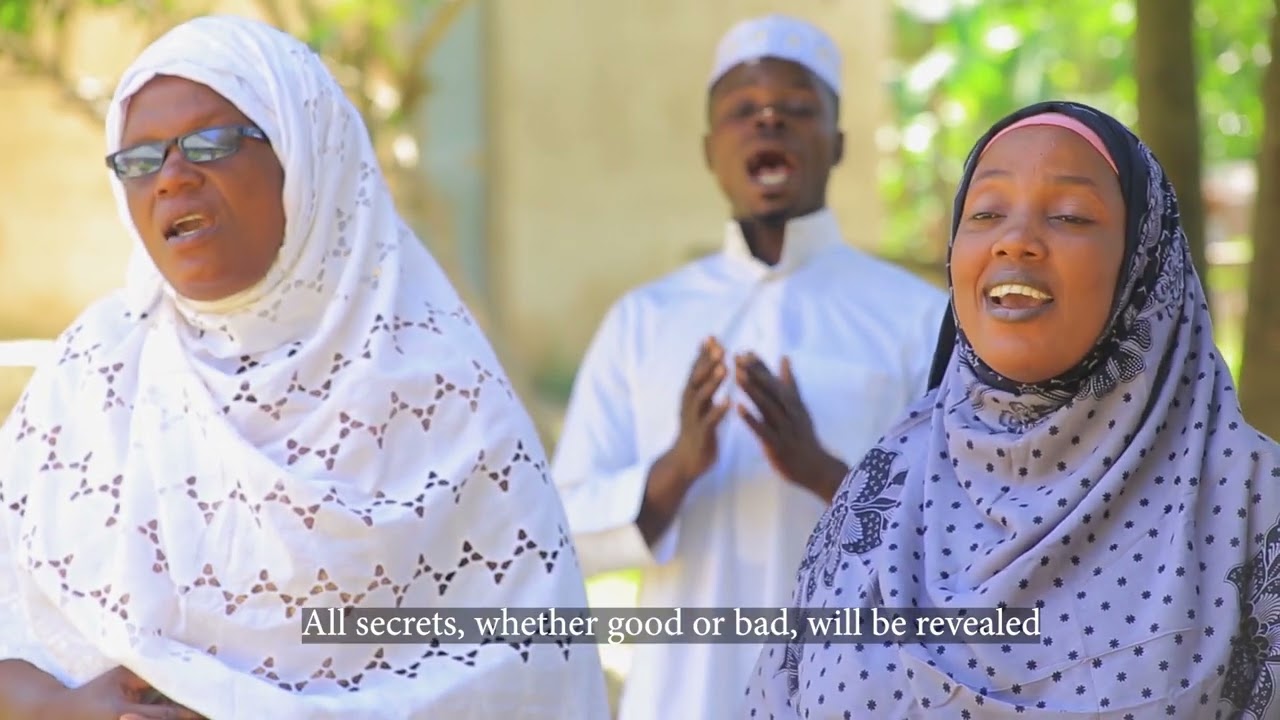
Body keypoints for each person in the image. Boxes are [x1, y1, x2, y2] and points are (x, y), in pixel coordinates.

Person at [0, 15, 610, 720]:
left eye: (211, 142)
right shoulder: (96, 374)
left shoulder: (443, 397)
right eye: (137, 160)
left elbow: (524, 674)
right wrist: (64, 707)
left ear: (304, 155)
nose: (170, 178)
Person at [744, 100, 1280, 719]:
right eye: (987, 212)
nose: (1016, 241)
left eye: (1071, 215)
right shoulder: (885, 483)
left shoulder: (1251, 499)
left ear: (1143, 260)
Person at [551, 14, 946, 720]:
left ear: (838, 142)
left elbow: (963, 533)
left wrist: (825, 473)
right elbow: (560, 532)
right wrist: (675, 470)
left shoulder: (918, 319)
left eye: (796, 108)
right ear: (711, 149)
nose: (769, 122)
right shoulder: (644, 321)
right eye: (742, 111)